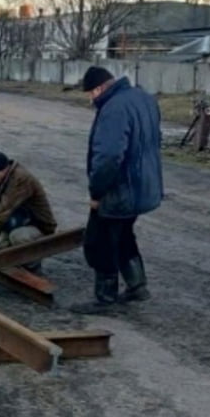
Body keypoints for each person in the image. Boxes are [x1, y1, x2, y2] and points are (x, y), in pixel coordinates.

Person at [79, 64, 164, 309]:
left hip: (120, 190)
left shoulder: (113, 108)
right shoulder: (143, 98)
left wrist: (97, 192)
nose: (91, 99)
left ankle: (105, 298)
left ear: (99, 88)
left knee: (99, 241)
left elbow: (108, 157)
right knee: (124, 233)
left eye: (90, 93)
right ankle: (137, 287)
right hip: (143, 187)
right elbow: (155, 141)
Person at [0, 149, 56, 247]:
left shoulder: (21, 179)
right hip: (16, 220)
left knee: (17, 237)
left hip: (38, 225)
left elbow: (5, 209)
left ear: (3, 170)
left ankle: (30, 261)